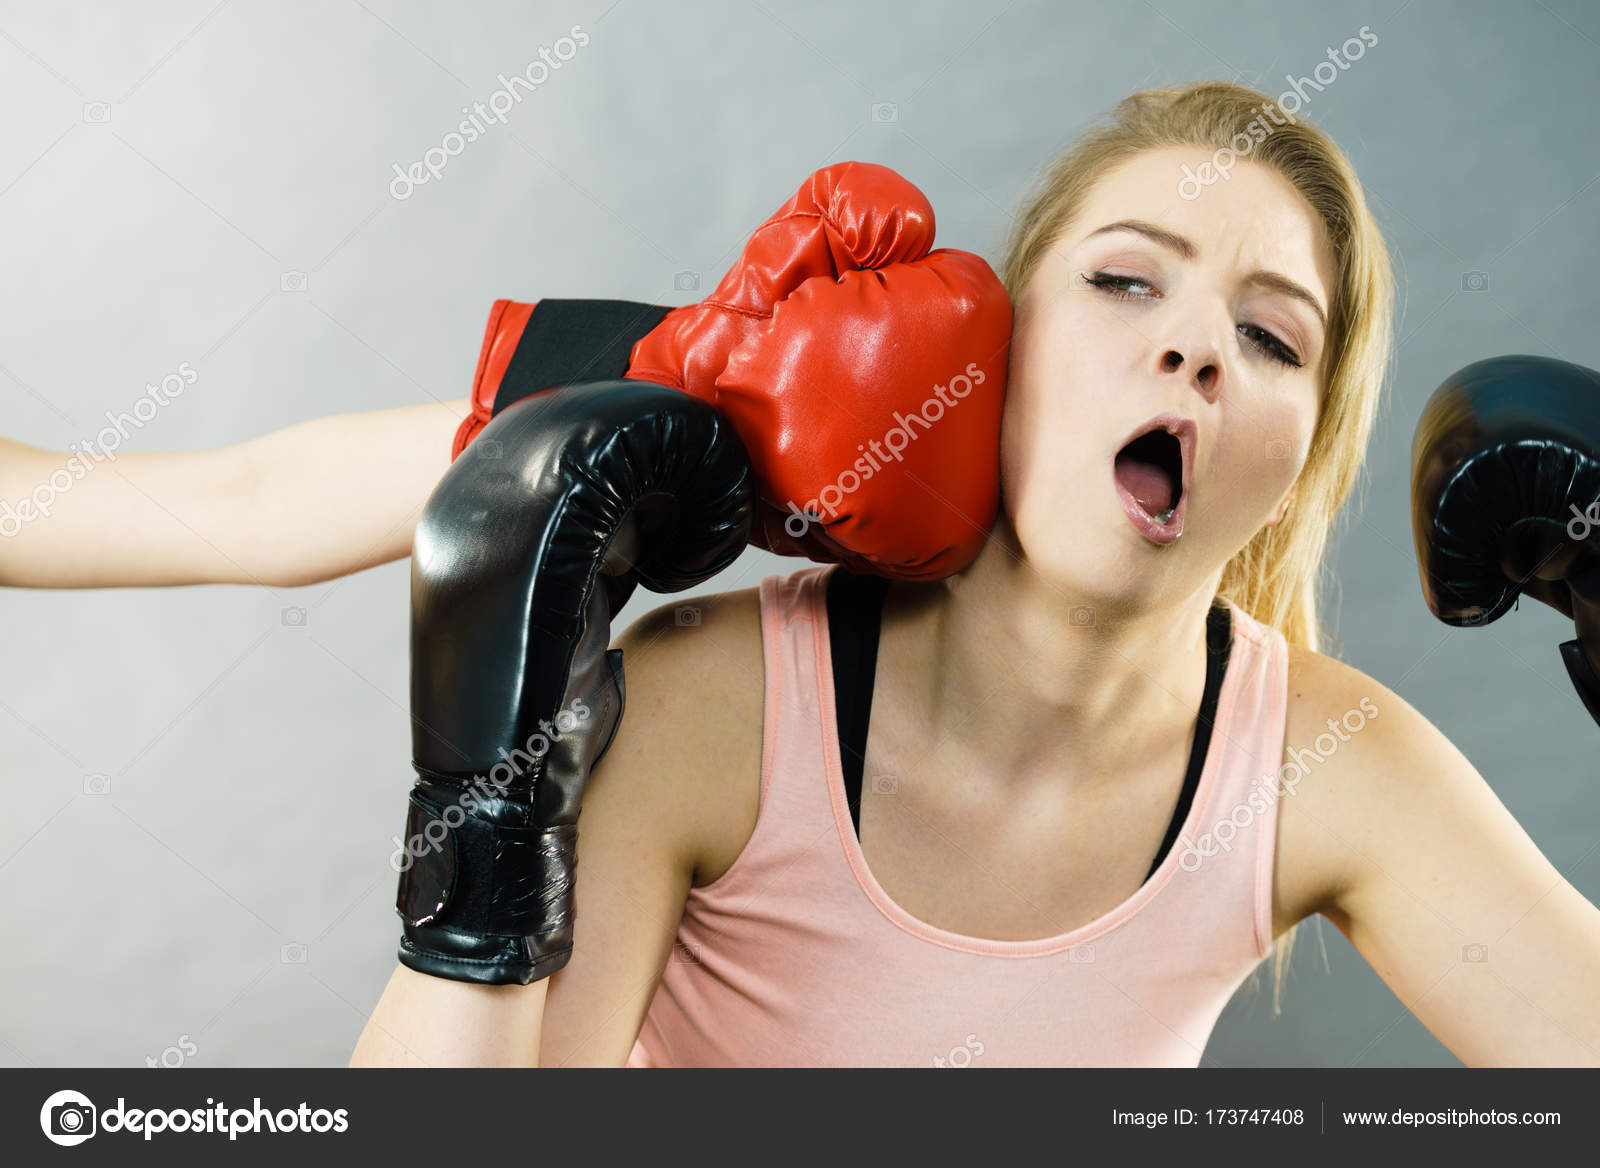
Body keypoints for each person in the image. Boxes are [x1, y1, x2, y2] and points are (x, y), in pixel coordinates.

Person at [349, 81, 1600, 1068]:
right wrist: (482, 830)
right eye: (1123, 280)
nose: (1194, 345)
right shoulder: (716, 708)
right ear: (999, 345)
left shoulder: (1319, 767)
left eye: (1271, 336)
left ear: (1299, 458)